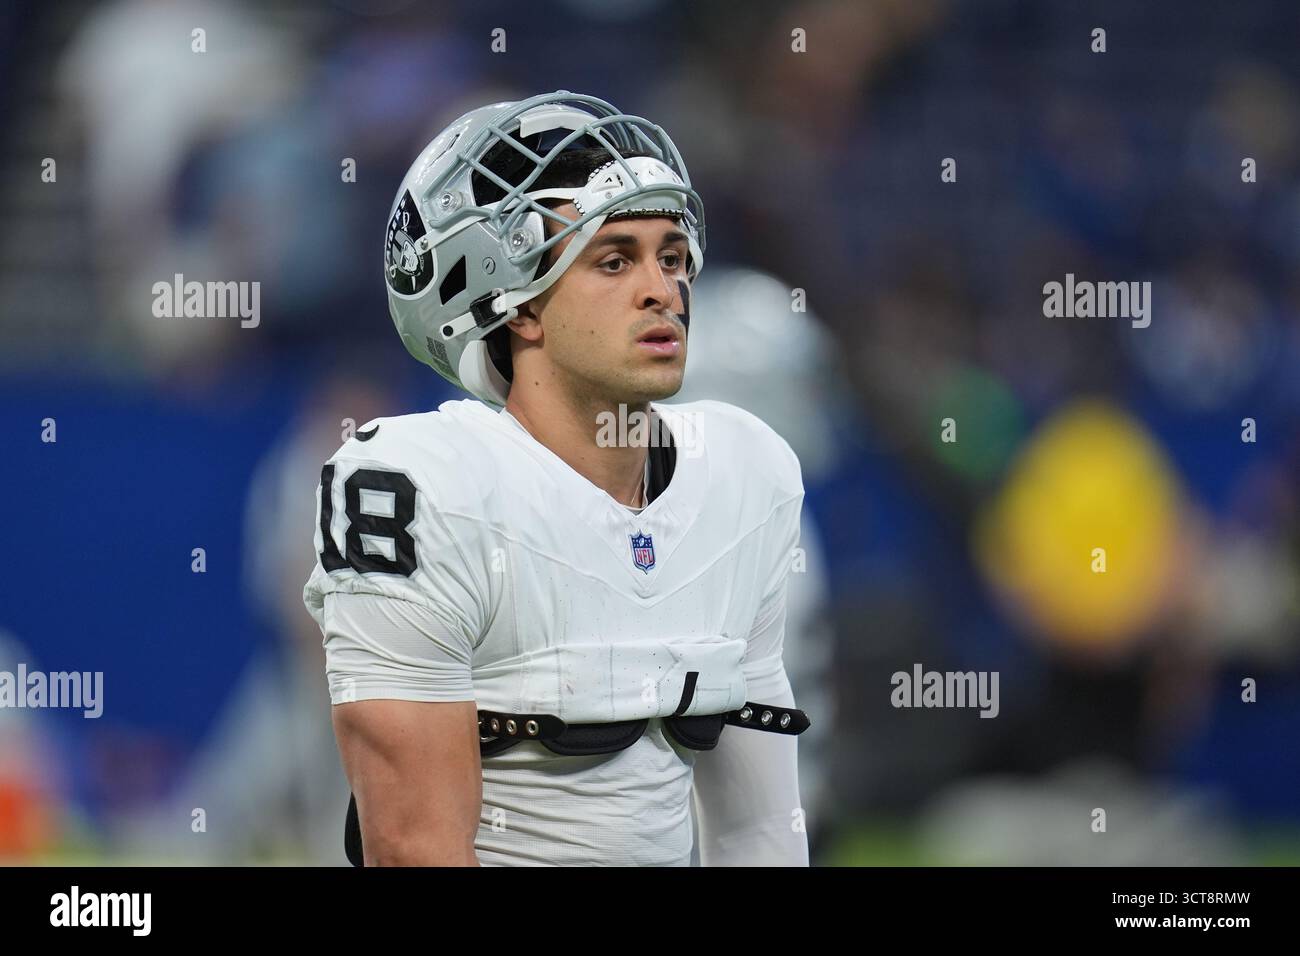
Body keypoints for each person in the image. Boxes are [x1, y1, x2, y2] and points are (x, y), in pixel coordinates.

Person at [303, 91, 810, 866]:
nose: (662, 290)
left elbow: (760, 832)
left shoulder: (745, 474)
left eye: (671, 257)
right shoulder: (424, 487)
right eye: (614, 260)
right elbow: (414, 847)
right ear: (520, 307)